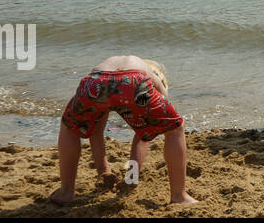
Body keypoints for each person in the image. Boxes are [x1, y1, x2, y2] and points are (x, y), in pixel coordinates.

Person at [50, 55, 196, 206]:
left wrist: (104, 173)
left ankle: (66, 192)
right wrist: (132, 177)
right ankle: (179, 195)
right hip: (134, 81)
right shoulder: (151, 76)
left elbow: (96, 134)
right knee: (175, 128)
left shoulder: (118, 63)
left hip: (95, 81)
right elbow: (146, 134)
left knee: (69, 127)